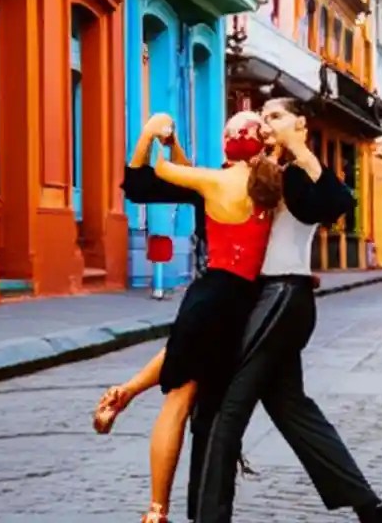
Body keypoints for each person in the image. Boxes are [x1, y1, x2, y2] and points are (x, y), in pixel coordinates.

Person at [195, 97, 382, 523]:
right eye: (263, 117)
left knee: (228, 407)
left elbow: (337, 202)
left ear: (299, 124)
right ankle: (367, 504)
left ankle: (209, 518)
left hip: (282, 296)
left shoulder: (300, 175)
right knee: (291, 407)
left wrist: (299, 148)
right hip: (274, 300)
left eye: (276, 117)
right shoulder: (264, 173)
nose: (266, 124)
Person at [96, 111, 281, 523]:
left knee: (178, 398)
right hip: (241, 303)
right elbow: (190, 173)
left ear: (228, 143)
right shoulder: (272, 183)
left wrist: (151, 133)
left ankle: (156, 511)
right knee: (185, 372)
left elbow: (159, 173)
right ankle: (124, 393)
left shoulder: (216, 181)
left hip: (210, 297)